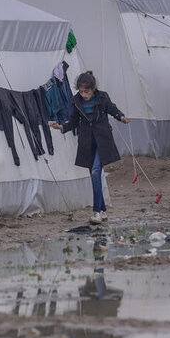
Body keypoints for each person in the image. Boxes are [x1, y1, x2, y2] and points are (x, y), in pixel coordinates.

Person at [49, 71, 129, 224]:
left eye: (86, 91)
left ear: (93, 89)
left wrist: (121, 117)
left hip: (102, 140)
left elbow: (112, 109)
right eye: (81, 91)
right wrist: (60, 126)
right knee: (95, 175)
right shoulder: (76, 101)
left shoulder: (103, 97)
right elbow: (72, 121)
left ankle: (96, 212)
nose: (83, 94)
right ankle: (104, 211)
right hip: (87, 142)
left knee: (95, 171)